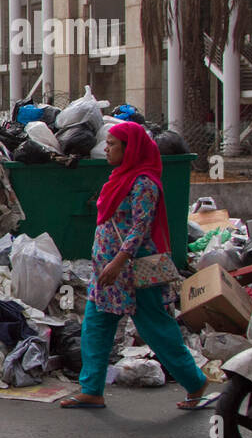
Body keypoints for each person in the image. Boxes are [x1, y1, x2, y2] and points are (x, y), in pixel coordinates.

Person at [60, 121, 208, 409]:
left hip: (134, 271)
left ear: (131, 148)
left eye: (113, 144)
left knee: (156, 331)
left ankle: (194, 381)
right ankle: (92, 389)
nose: (107, 148)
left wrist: (118, 261)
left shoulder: (144, 182)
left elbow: (141, 226)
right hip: (108, 272)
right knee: (95, 327)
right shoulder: (119, 177)